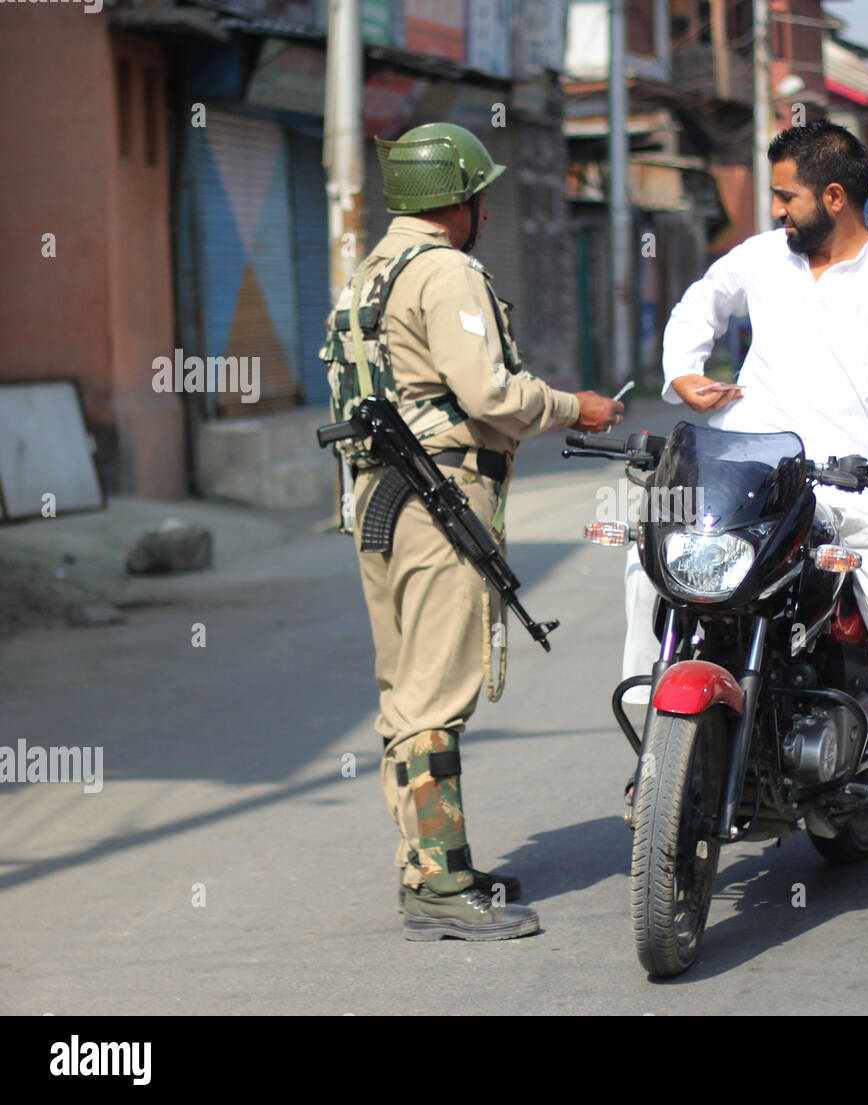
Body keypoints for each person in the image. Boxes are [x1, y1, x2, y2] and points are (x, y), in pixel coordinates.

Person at [634, 120, 868, 917]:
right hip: (759, 485)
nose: (775, 210)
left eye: (785, 195)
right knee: (651, 567)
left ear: (832, 197)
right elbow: (703, 300)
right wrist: (682, 371)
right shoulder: (763, 260)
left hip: (859, 492)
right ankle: (657, 756)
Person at [322, 122, 623, 939]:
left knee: (403, 688)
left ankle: (430, 862)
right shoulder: (445, 270)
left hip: (377, 498)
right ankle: (440, 887)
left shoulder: (372, 272)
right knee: (435, 694)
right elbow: (491, 397)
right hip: (433, 498)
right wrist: (575, 408)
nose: (483, 206)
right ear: (460, 201)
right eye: (479, 193)